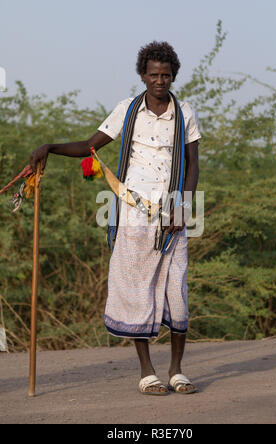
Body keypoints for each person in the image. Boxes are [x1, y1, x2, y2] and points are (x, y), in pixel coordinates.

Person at [30, 41, 201, 395]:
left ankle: (177, 371)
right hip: (133, 213)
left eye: (165, 75)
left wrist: (184, 206)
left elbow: (193, 164)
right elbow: (90, 145)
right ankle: (147, 373)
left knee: (177, 292)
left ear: (173, 77)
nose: (159, 81)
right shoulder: (127, 110)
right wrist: (50, 147)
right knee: (135, 291)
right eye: (153, 75)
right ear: (143, 75)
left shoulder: (185, 113)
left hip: (172, 214)